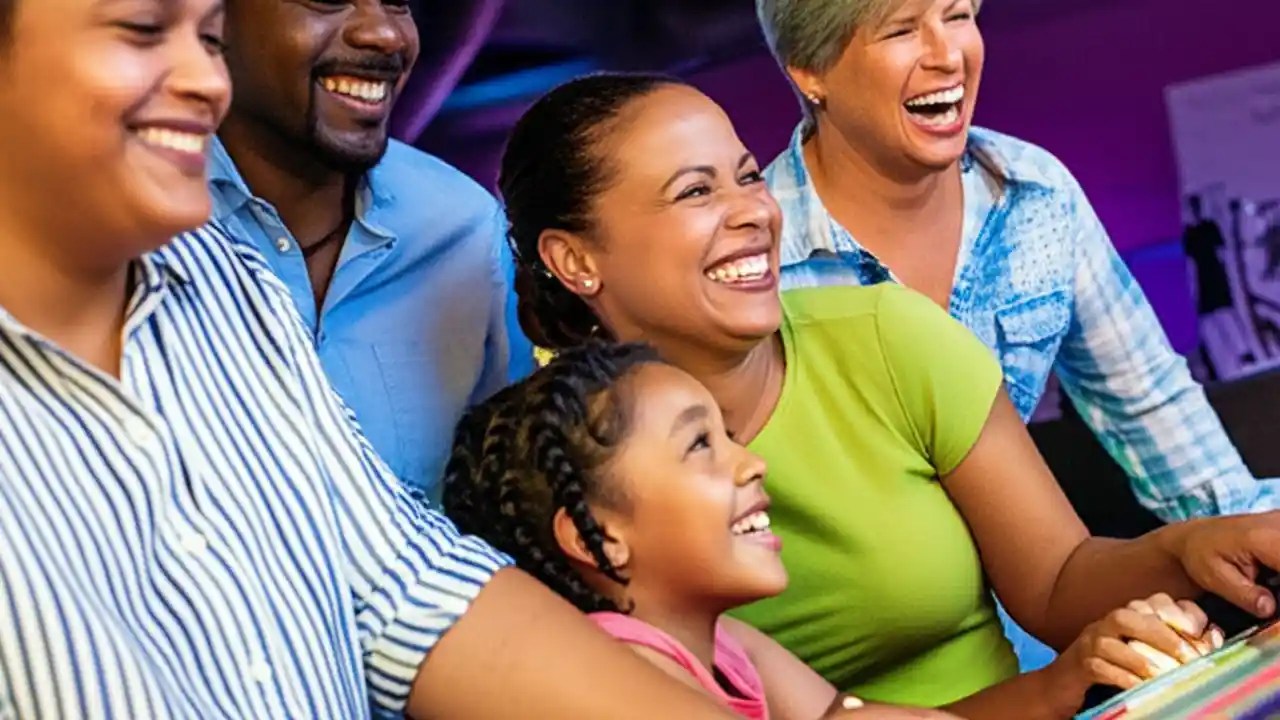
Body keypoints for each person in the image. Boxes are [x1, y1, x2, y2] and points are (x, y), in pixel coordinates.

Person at [0, 1, 768, 718]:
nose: (207, 79)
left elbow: (412, 590)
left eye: (206, 36)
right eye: (140, 30)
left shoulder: (226, 286)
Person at [497, 72, 1278, 718]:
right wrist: (1058, 687)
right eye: (695, 193)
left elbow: (1056, 579)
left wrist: (1194, 547)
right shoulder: (561, 474)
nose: (752, 213)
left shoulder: (884, 332)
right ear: (574, 258)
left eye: (745, 177)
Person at [754, 0, 1279, 670]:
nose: (949, 54)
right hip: (860, 657)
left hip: (1042, 598)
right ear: (810, 71)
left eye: (958, 15)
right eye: (902, 29)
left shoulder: (1037, 195)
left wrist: (1254, 540)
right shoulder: (758, 256)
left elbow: (1151, 402)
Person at [441, 341, 1209, 720]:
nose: (754, 464)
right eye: (702, 445)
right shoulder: (625, 677)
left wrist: (1071, 678)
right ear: (601, 539)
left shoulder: (730, 647)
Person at [212, 0, 532, 499]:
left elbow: (513, 503)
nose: (385, 34)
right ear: (214, 17)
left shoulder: (464, 232)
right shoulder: (136, 234)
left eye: (399, 3)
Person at [1182, 194, 1254, 378]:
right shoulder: (1189, 233)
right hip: (1203, 278)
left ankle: (1244, 354)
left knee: (1225, 314)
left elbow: (1222, 253)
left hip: (1215, 275)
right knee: (1212, 320)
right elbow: (1190, 263)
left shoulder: (1208, 227)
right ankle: (1225, 361)